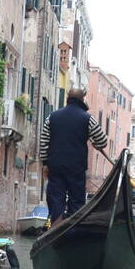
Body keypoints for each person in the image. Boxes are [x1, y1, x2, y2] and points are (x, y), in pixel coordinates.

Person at [38, 86, 109, 225]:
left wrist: (45, 163)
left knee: (56, 199)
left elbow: (44, 142)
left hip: (56, 166)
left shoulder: (52, 117)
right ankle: (73, 229)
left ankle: (56, 227)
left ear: (67, 99)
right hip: (76, 167)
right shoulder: (87, 118)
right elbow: (103, 141)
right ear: (82, 99)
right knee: (76, 201)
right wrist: (95, 143)